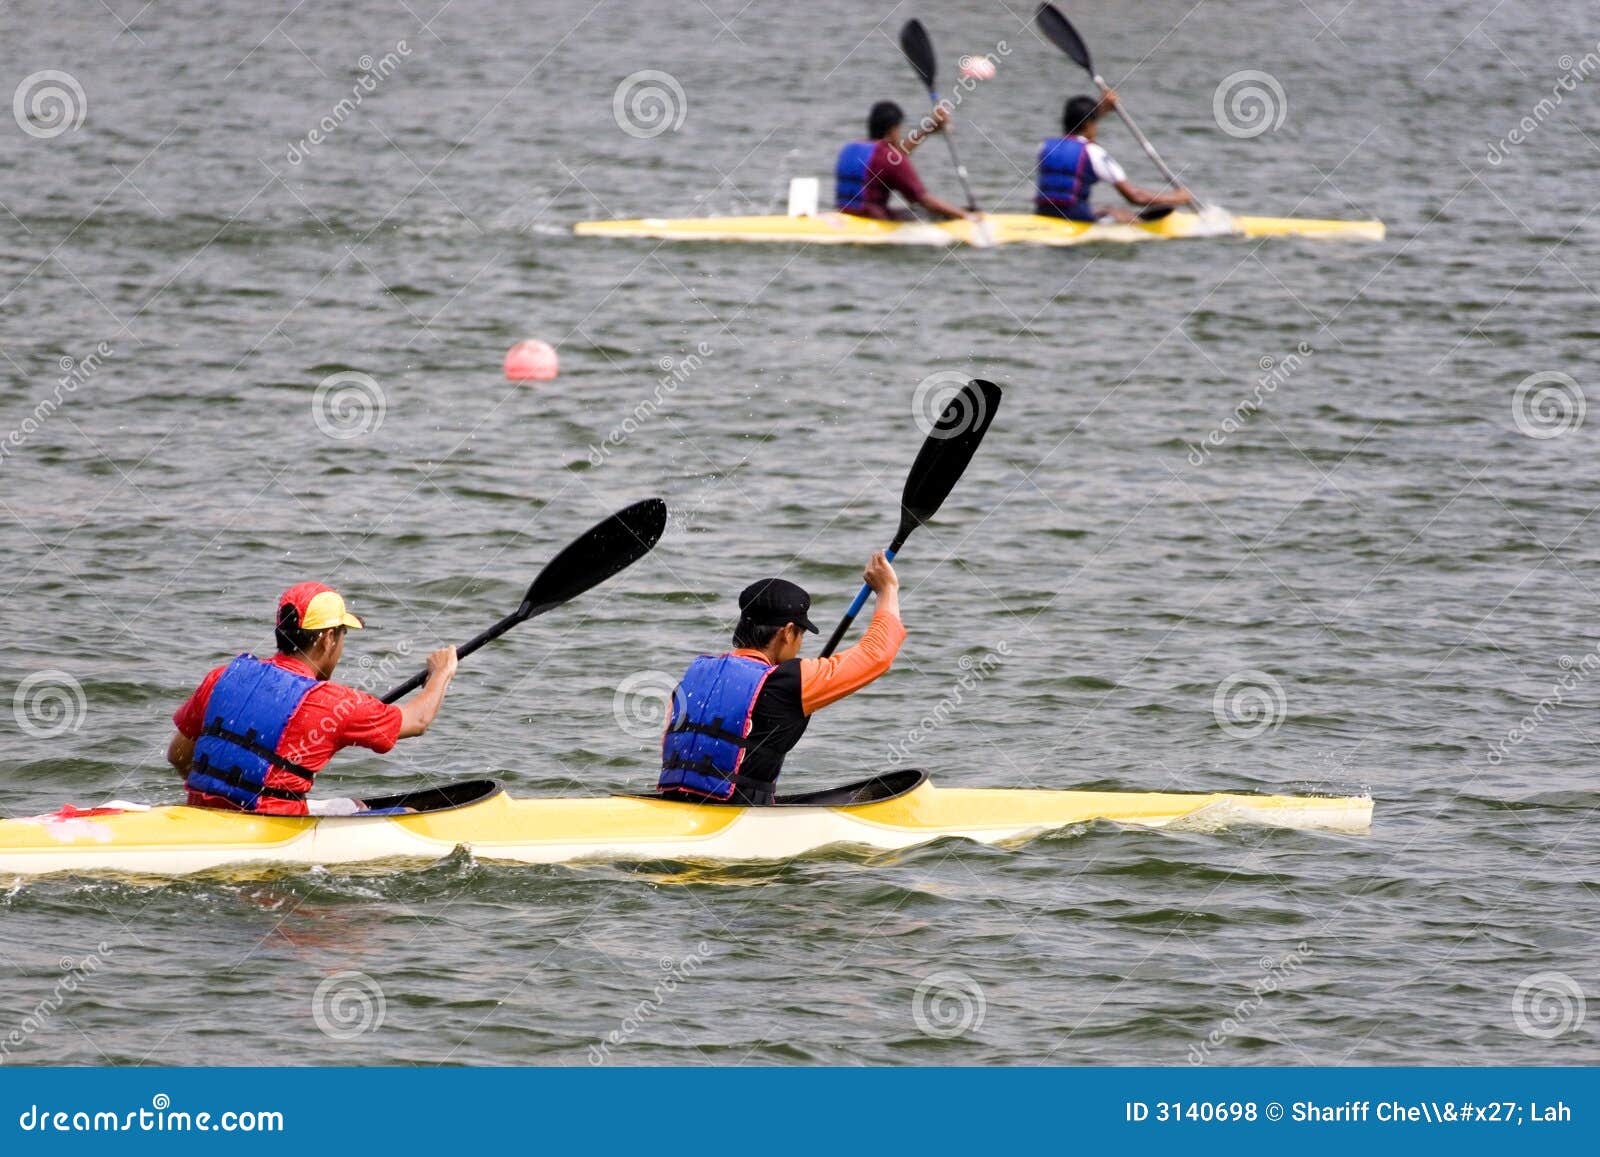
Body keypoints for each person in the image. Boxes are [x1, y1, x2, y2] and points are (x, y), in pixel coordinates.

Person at [166, 582, 458, 816]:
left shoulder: (223, 676)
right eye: (343, 635)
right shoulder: (334, 703)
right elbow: (418, 720)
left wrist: (222, 797)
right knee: (408, 813)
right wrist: (441, 673)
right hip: (273, 826)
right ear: (328, 638)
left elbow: (178, 755)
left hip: (201, 814)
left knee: (356, 805)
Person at [657, 553, 905, 805]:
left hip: (675, 802)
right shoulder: (790, 682)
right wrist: (887, 590)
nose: (800, 644)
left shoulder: (697, 673)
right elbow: (877, 655)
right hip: (737, 813)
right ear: (787, 632)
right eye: (801, 635)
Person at [1035, 92, 1195, 223]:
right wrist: (1176, 197)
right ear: (1089, 125)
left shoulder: (1045, 147)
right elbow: (1135, 197)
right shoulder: (1095, 153)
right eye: (1095, 123)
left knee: (1103, 210)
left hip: (1043, 212)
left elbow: (1075, 136)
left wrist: (1101, 107)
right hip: (1075, 217)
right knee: (1122, 214)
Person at [835, 101, 974, 222]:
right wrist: (965, 215)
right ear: (892, 130)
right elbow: (924, 200)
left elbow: (891, 160)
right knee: (928, 214)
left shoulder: (850, 148)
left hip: (844, 214)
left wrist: (928, 129)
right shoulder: (887, 158)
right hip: (871, 219)